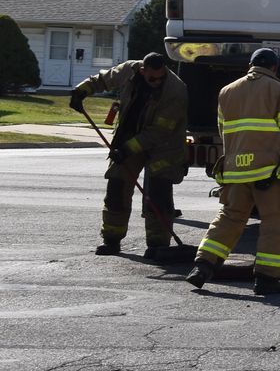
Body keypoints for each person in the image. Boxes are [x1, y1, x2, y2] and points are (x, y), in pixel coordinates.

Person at [187, 49, 280, 297]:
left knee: (229, 218)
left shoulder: (227, 92)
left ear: (250, 65)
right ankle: (267, 279)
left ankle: (203, 266)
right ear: (274, 68)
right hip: (269, 172)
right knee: (274, 223)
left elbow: (225, 132)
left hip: (235, 170)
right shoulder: (279, 90)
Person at [70, 51, 192, 262]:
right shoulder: (129, 70)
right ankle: (111, 239)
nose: (157, 82)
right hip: (129, 135)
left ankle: (158, 244)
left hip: (165, 145)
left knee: (158, 192)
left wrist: (126, 149)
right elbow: (104, 79)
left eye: (161, 77)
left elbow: (159, 132)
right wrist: (82, 90)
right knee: (117, 184)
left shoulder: (176, 90)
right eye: (152, 78)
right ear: (142, 71)